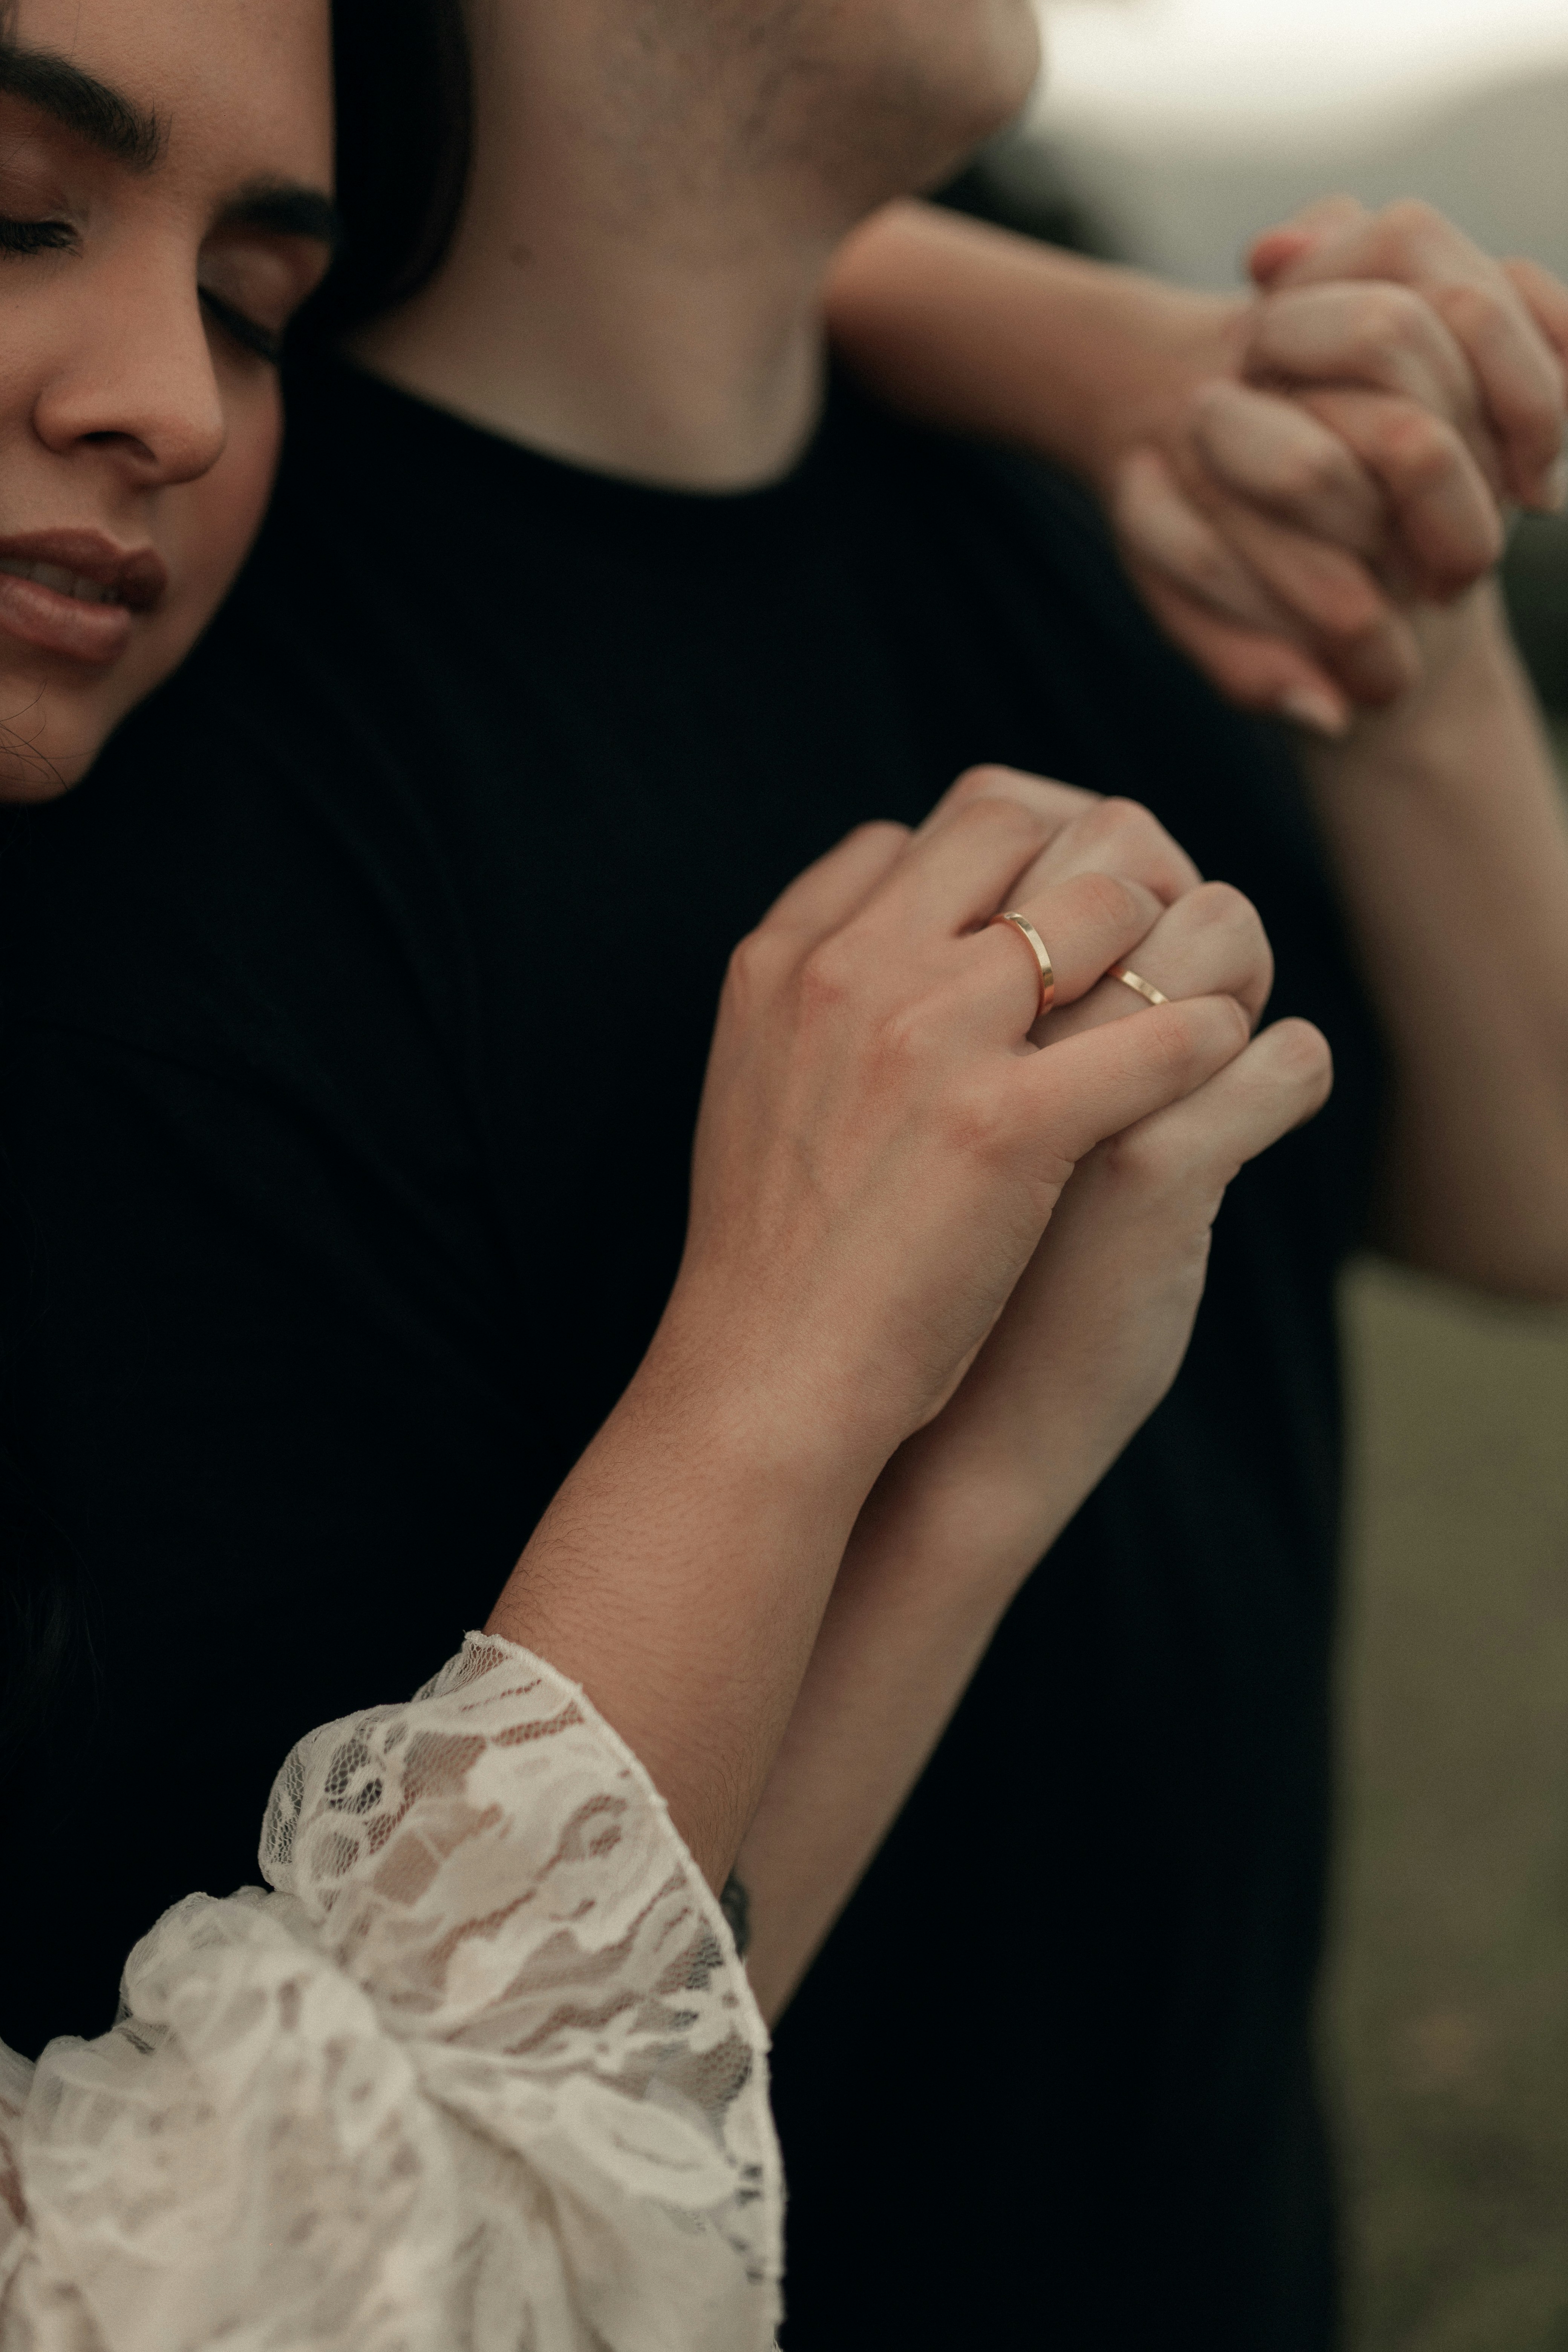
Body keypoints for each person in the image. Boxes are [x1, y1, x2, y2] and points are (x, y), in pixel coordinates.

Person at [2, 5, 1566, 2349]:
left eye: (249, 300)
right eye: (22, 218)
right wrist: (861, 1426)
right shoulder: (170, 762)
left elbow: (1517, 1193)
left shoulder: (1070, 513)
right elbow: (336, 2220)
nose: (174, 392)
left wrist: (1395, 617)